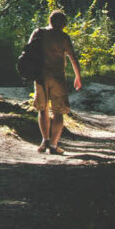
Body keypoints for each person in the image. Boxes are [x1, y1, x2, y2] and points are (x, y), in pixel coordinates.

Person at [32, 9, 82, 155]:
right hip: (58, 77)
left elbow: (28, 50)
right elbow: (73, 57)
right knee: (59, 112)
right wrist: (78, 77)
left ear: (50, 20)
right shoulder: (64, 37)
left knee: (43, 109)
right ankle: (53, 145)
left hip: (41, 76)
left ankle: (44, 140)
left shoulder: (38, 32)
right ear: (64, 24)